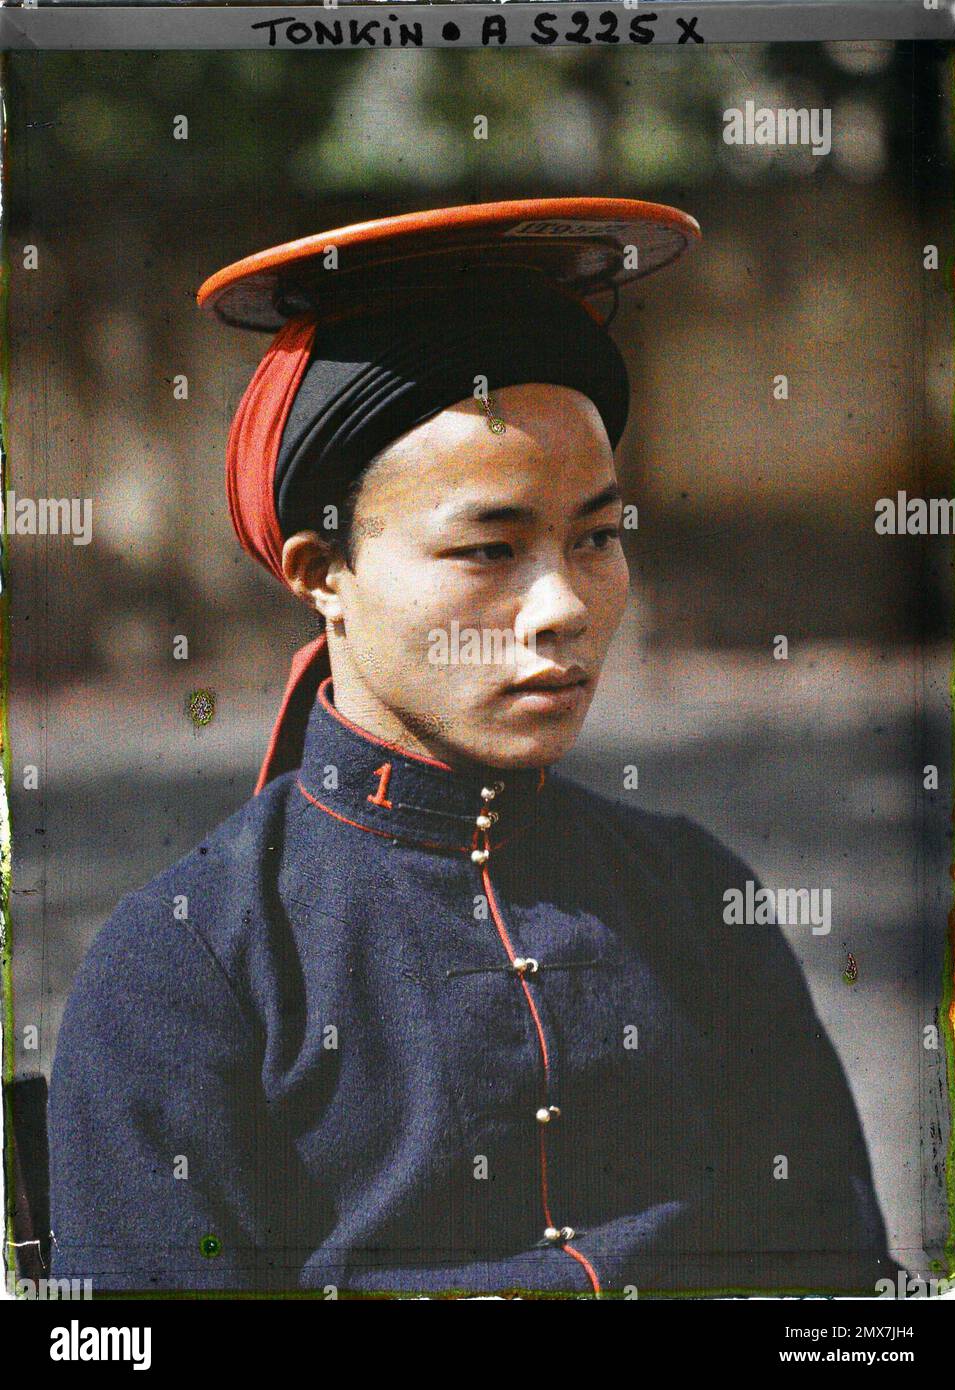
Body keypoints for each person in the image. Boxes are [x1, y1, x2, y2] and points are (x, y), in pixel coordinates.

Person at [47, 200, 898, 1296]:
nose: (562, 607)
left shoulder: (694, 898)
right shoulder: (189, 965)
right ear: (321, 571)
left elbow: (838, 1294)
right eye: (489, 546)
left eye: (595, 536)